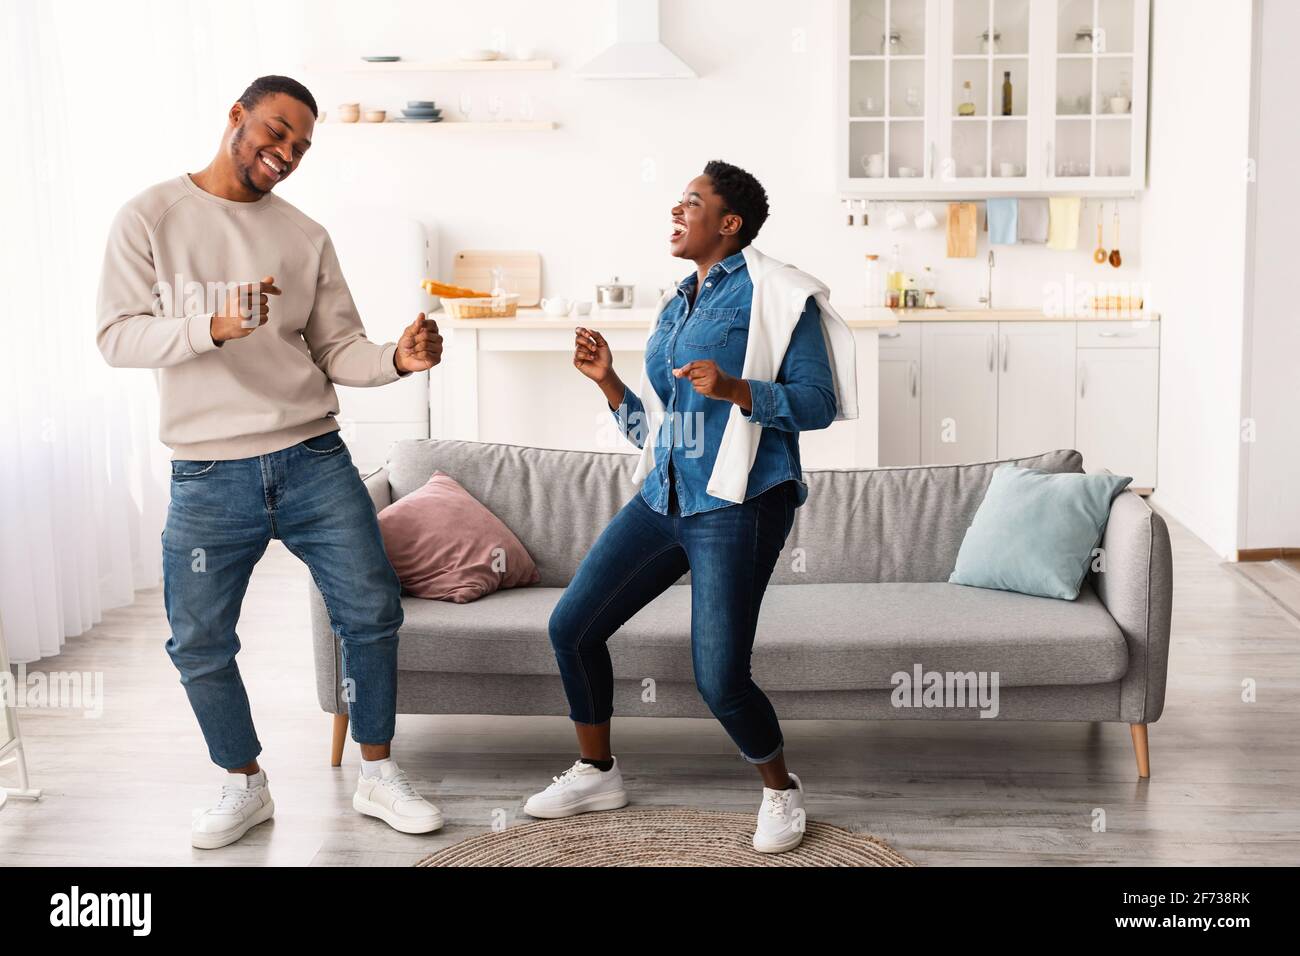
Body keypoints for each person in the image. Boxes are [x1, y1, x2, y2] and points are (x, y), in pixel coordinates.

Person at [96, 75, 444, 849]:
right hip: (207, 472)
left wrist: (395, 356)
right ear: (236, 117)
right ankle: (242, 782)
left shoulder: (304, 234)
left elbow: (337, 348)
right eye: (275, 133)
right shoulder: (150, 216)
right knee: (199, 641)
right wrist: (208, 325)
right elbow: (117, 336)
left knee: (372, 612)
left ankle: (378, 774)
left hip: (313, 457)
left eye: (300, 146)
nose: (284, 153)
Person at [524, 160, 855, 853]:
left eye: (691, 203)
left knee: (720, 677)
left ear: (728, 223)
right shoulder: (677, 302)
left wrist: (738, 389)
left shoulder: (777, 294)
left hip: (739, 501)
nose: (676, 213)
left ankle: (780, 791)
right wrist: (609, 381)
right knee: (572, 627)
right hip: (663, 495)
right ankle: (597, 771)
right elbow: (666, 429)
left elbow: (818, 403)